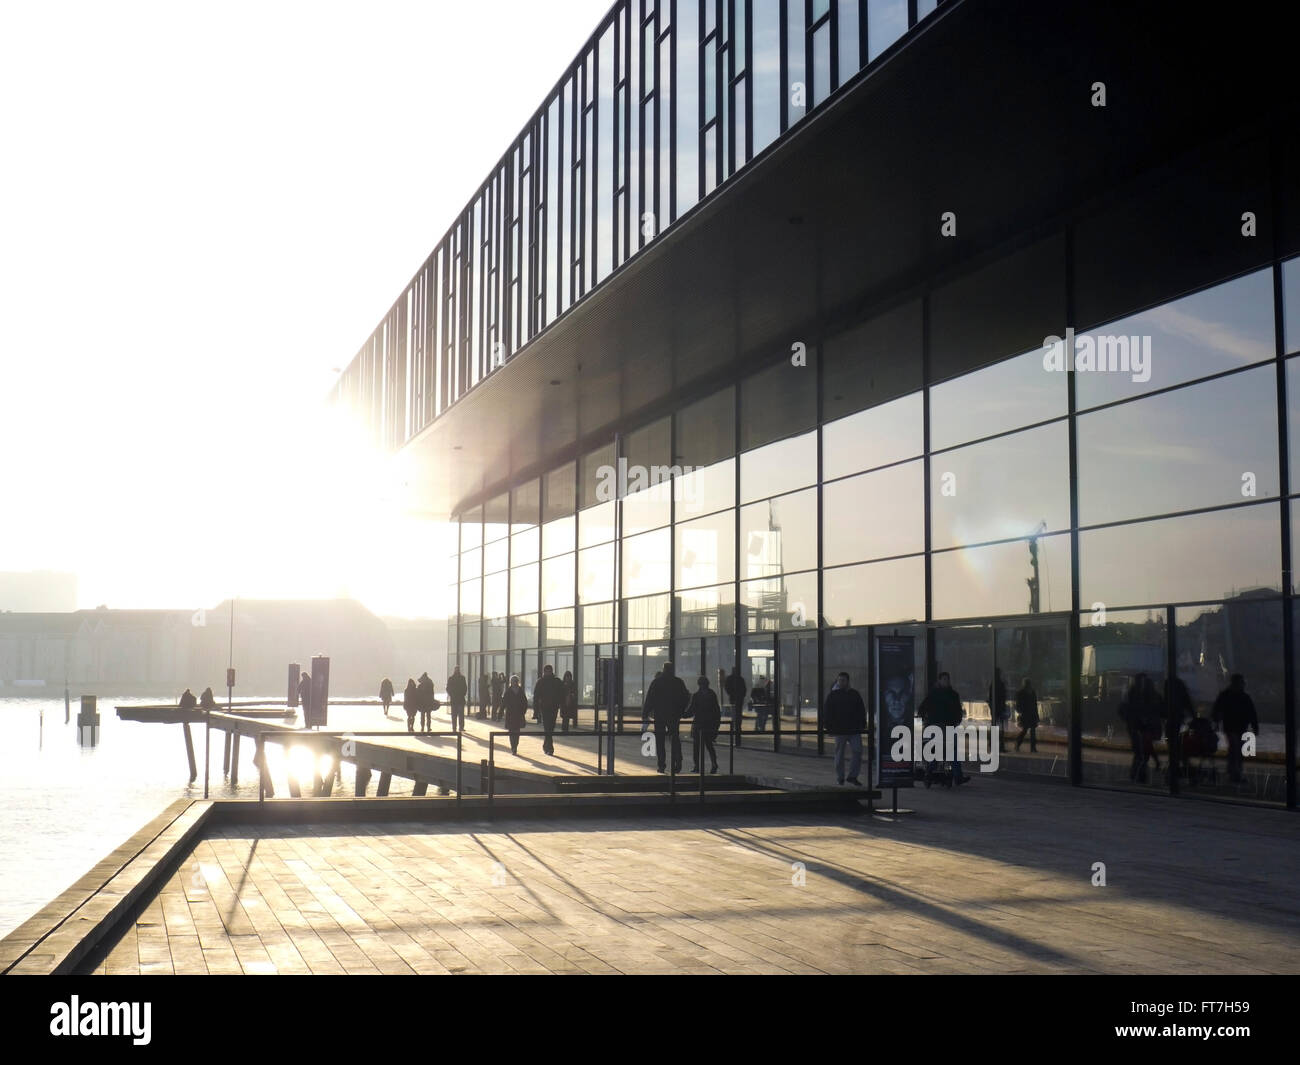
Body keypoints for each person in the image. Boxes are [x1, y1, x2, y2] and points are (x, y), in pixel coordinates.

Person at [919, 672, 967, 785]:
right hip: (938, 726)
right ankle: (933, 772)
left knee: (950, 751)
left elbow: (958, 711)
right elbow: (922, 708)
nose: (946, 681)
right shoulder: (935, 694)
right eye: (944, 679)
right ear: (939, 681)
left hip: (946, 726)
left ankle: (955, 776)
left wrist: (957, 720)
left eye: (947, 679)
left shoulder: (951, 695)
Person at [644, 660, 690, 773]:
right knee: (674, 739)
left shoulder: (657, 682)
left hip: (660, 715)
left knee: (660, 740)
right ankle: (677, 762)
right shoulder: (678, 682)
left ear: (663, 669)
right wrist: (681, 711)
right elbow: (686, 697)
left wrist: (645, 713)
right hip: (673, 715)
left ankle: (661, 765)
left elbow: (650, 698)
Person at [1212, 673, 1258, 784]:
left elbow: (1217, 709)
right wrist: (1255, 727)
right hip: (1240, 727)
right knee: (1237, 749)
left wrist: (1216, 721)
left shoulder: (1225, 695)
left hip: (1230, 726)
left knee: (1234, 748)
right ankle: (1236, 772)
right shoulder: (1245, 697)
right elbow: (1252, 713)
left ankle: (1233, 771)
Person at [823, 671, 867, 786]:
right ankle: (841, 777)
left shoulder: (854, 694)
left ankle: (852, 776)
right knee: (839, 754)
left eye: (843, 680)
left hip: (853, 729)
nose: (841, 682)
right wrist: (828, 726)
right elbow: (827, 712)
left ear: (847, 681)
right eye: (839, 680)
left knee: (857, 751)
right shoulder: (833, 695)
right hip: (840, 729)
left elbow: (861, 710)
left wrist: (862, 723)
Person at [1120, 673, 1163, 784]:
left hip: (1139, 726)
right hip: (1141, 726)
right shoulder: (1139, 694)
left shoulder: (1136, 693)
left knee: (1141, 750)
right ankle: (1138, 774)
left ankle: (1137, 774)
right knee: (1142, 750)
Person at [687, 675, 722, 774]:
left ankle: (697, 766)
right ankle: (714, 764)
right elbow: (716, 711)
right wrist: (717, 725)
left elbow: (691, 710)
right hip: (710, 724)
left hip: (698, 724)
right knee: (709, 745)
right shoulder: (712, 694)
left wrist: (682, 715)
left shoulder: (696, 696)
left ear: (699, 684)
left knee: (696, 747)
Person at [1164, 674, 1192, 783]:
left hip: (1174, 719)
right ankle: (1181, 766)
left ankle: (1176, 767)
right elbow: (1187, 702)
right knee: (1175, 744)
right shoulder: (1178, 688)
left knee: (1173, 744)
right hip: (1177, 718)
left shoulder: (1169, 686)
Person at [533, 664, 566, 756]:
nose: (548, 673)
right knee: (547, 727)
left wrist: (562, 707)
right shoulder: (541, 682)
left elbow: (561, 695)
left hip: (554, 707)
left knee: (550, 727)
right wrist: (536, 711)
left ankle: (546, 745)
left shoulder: (556, 682)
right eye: (546, 671)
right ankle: (549, 747)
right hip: (544, 708)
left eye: (549, 671)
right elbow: (536, 696)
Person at [501, 674, 529, 754]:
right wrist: (500, 713)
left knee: (517, 731)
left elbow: (524, 702)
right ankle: (513, 746)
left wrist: (523, 711)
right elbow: (504, 703)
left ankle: (515, 745)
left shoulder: (520, 691)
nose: (514, 683)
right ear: (511, 682)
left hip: (518, 714)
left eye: (515, 681)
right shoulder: (508, 691)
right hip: (510, 714)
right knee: (511, 731)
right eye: (513, 681)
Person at [1014, 677, 1039, 752]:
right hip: (1028, 714)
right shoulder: (1030, 692)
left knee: (1028, 730)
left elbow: (1018, 704)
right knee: (1028, 730)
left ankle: (1021, 744)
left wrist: (1019, 711)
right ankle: (1031, 747)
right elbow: (1034, 704)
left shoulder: (1021, 692)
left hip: (1028, 714)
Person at [988, 667, 1009, 751]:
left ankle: (992, 743)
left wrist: (992, 707)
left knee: (995, 727)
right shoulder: (1001, 684)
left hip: (995, 709)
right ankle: (1001, 746)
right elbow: (1003, 697)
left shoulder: (992, 684)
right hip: (1000, 708)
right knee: (1001, 728)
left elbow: (990, 697)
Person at [724, 666, 747, 735]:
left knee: (734, 713)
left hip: (734, 698)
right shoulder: (740, 679)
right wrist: (742, 695)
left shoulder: (730, 679)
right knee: (738, 713)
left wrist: (731, 694)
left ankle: (735, 726)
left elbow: (727, 687)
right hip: (738, 699)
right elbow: (744, 689)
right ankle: (738, 726)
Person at [446, 666, 468, 732]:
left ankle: (454, 727)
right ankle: (460, 727)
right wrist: (462, 694)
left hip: (455, 699)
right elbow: (465, 688)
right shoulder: (462, 678)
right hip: (460, 699)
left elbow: (448, 688)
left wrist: (451, 695)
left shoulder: (451, 678)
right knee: (460, 714)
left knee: (454, 715)